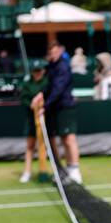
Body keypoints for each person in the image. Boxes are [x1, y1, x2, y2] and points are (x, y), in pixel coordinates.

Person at [30, 41, 81, 182]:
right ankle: (66, 171)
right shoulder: (52, 66)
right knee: (62, 139)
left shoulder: (63, 66)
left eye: (55, 51)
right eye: (50, 52)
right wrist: (41, 94)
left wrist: (45, 105)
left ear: (60, 50)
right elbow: (50, 87)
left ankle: (75, 170)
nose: (52, 54)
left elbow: (58, 89)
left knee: (69, 139)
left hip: (65, 107)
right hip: (56, 108)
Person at [18, 59, 49, 183]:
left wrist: (43, 104)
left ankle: (46, 171)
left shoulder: (47, 82)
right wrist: (31, 104)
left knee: (46, 146)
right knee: (30, 145)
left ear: (43, 71)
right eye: (35, 71)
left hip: (46, 118)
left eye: (39, 71)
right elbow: (23, 98)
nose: (37, 73)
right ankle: (27, 171)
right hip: (32, 118)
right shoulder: (27, 84)